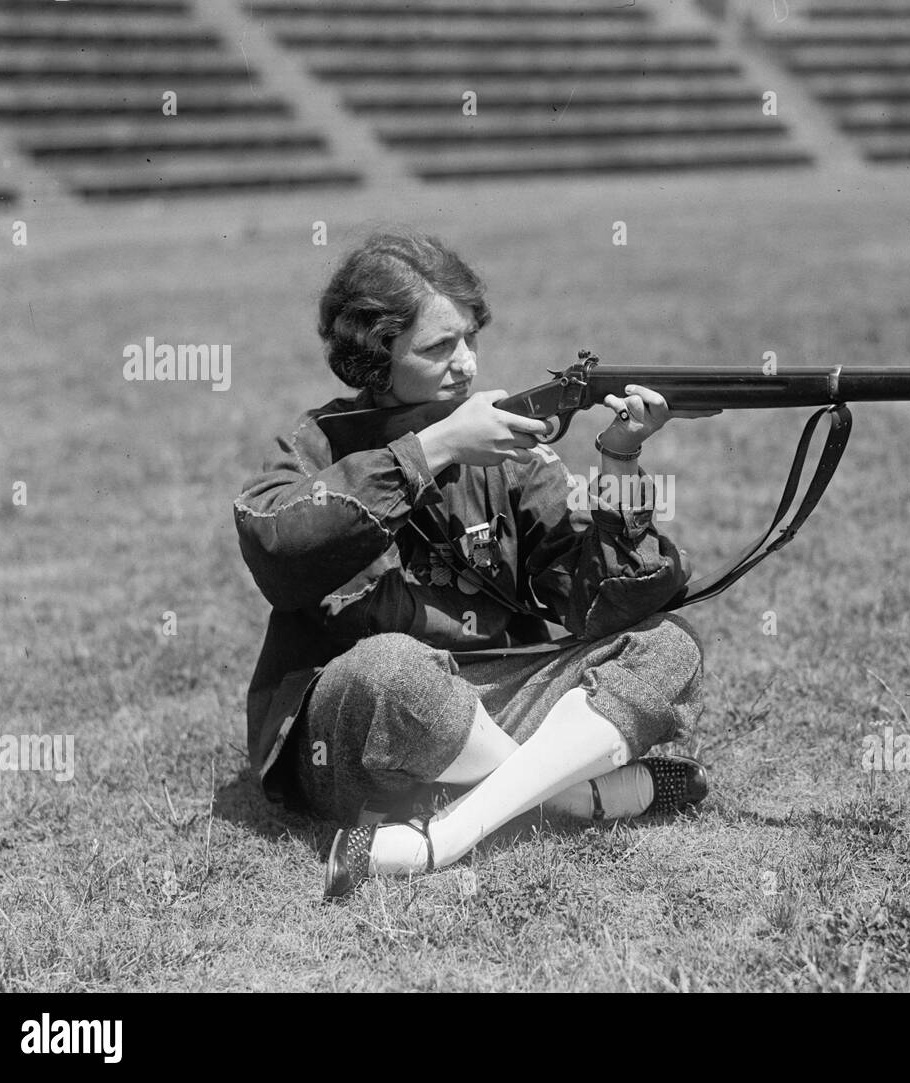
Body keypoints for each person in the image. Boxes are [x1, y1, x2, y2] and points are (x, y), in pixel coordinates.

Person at [233, 230, 717, 899]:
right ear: (376, 363)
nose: (465, 364)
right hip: (366, 724)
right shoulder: (316, 445)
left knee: (668, 647)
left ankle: (448, 835)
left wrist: (620, 460)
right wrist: (433, 449)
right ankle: (574, 794)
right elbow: (277, 549)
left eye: (469, 338)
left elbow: (602, 604)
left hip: (487, 706)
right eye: (437, 347)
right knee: (390, 668)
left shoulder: (510, 453)